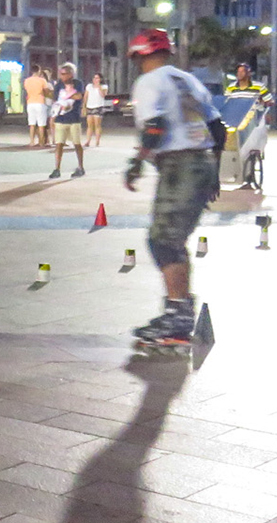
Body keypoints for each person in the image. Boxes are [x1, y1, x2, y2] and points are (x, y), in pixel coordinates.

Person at [123, 28, 220, 349]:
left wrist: (137, 162)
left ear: (140, 55)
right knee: (172, 240)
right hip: (201, 162)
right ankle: (178, 311)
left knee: (163, 240)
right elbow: (217, 126)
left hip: (179, 165)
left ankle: (178, 316)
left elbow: (155, 125)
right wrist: (214, 172)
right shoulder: (188, 79)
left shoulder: (149, 82)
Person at [47, 62, 86, 179]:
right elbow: (55, 100)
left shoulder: (78, 83)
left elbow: (79, 96)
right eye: (61, 74)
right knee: (59, 144)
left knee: (77, 144)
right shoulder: (59, 85)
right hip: (61, 118)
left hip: (74, 118)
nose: (62, 76)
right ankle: (57, 169)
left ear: (71, 74)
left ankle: (80, 167)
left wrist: (65, 97)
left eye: (65, 74)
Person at [23, 67, 50, 147]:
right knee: (41, 124)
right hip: (40, 102)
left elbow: (27, 91)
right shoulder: (42, 80)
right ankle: (41, 142)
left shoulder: (27, 81)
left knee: (32, 124)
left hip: (30, 103)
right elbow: (46, 92)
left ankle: (32, 141)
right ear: (38, 71)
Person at [85, 72, 108, 147]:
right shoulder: (89, 86)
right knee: (89, 125)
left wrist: (99, 87)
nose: (95, 79)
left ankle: (97, 141)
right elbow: (86, 96)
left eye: (97, 78)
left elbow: (103, 95)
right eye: (94, 78)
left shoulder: (104, 86)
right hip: (89, 106)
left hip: (98, 106)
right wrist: (84, 106)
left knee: (97, 125)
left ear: (100, 79)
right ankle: (88, 141)